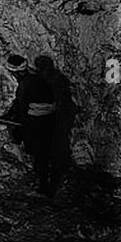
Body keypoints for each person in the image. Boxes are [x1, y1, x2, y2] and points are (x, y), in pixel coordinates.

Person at [3, 53, 60, 195]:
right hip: (51, 118)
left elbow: (22, 106)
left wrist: (15, 124)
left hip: (38, 121)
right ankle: (44, 180)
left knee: (40, 153)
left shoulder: (25, 83)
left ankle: (44, 187)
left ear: (15, 72)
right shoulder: (36, 77)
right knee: (45, 152)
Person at [33, 55, 75, 190]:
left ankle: (50, 184)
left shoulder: (51, 80)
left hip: (56, 120)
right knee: (57, 150)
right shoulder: (57, 78)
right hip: (59, 118)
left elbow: (57, 102)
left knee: (51, 152)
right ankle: (54, 180)